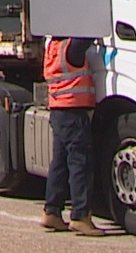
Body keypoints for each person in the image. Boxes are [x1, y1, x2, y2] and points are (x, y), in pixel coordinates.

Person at [42, 36, 102, 236]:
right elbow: (88, 33)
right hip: (74, 112)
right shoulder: (71, 48)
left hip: (58, 111)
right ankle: (81, 216)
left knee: (59, 164)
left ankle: (52, 212)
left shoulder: (52, 47)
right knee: (80, 164)